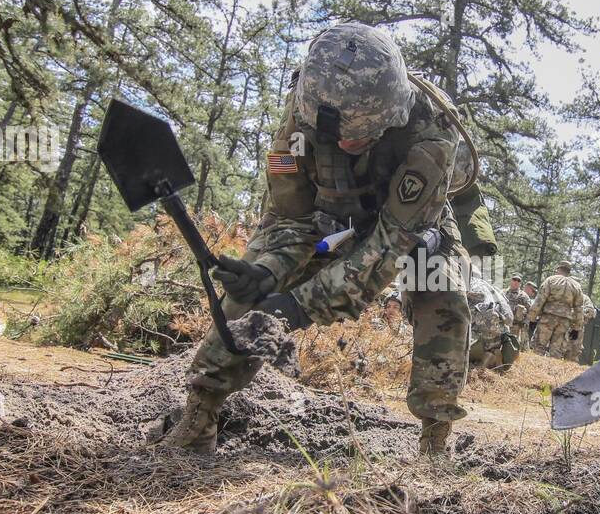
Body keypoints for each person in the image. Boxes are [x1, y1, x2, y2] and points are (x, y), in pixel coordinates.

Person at [160, 23, 471, 457]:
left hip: (414, 226)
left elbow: (384, 250)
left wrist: (298, 308)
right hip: (329, 216)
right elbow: (289, 215)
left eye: (357, 136)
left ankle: (436, 438)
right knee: (247, 293)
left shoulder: (432, 138)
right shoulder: (303, 110)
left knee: (441, 289)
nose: (344, 143)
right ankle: (199, 414)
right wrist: (266, 271)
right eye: (336, 136)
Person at [528, 261, 587, 359]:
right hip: (564, 322)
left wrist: (532, 318)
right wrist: (577, 328)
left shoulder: (551, 280)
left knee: (538, 347)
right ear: (568, 271)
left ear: (558, 269)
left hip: (547, 318)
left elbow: (539, 300)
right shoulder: (576, 286)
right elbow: (579, 308)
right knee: (556, 352)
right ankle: (552, 373)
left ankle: (535, 372)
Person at [504, 274, 532, 352]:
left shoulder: (523, 296)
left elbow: (530, 311)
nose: (516, 282)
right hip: (503, 324)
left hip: (516, 326)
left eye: (518, 281)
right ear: (511, 280)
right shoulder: (503, 293)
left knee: (514, 347)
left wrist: (525, 323)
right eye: (514, 279)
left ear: (520, 283)